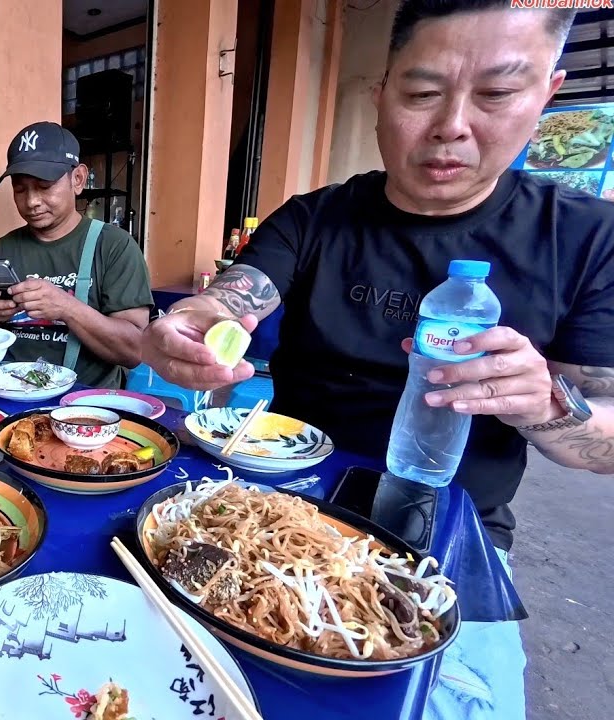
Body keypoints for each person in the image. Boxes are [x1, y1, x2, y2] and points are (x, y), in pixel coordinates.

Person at [142, 3, 613, 718]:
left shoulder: (584, 237)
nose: (451, 124)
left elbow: (603, 444)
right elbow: (232, 299)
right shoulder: (313, 218)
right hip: (284, 509)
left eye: (496, 93)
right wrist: (187, 325)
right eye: (422, 93)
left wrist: (550, 403)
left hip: (455, 538)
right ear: (382, 93)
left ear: (547, 93)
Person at [0, 121, 153, 389]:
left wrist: (67, 308)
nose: (31, 201)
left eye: (44, 186)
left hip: (83, 405)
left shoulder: (114, 246)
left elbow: (134, 350)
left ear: (77, 179)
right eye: (20, 189)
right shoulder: (5, 247)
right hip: (6, 393)